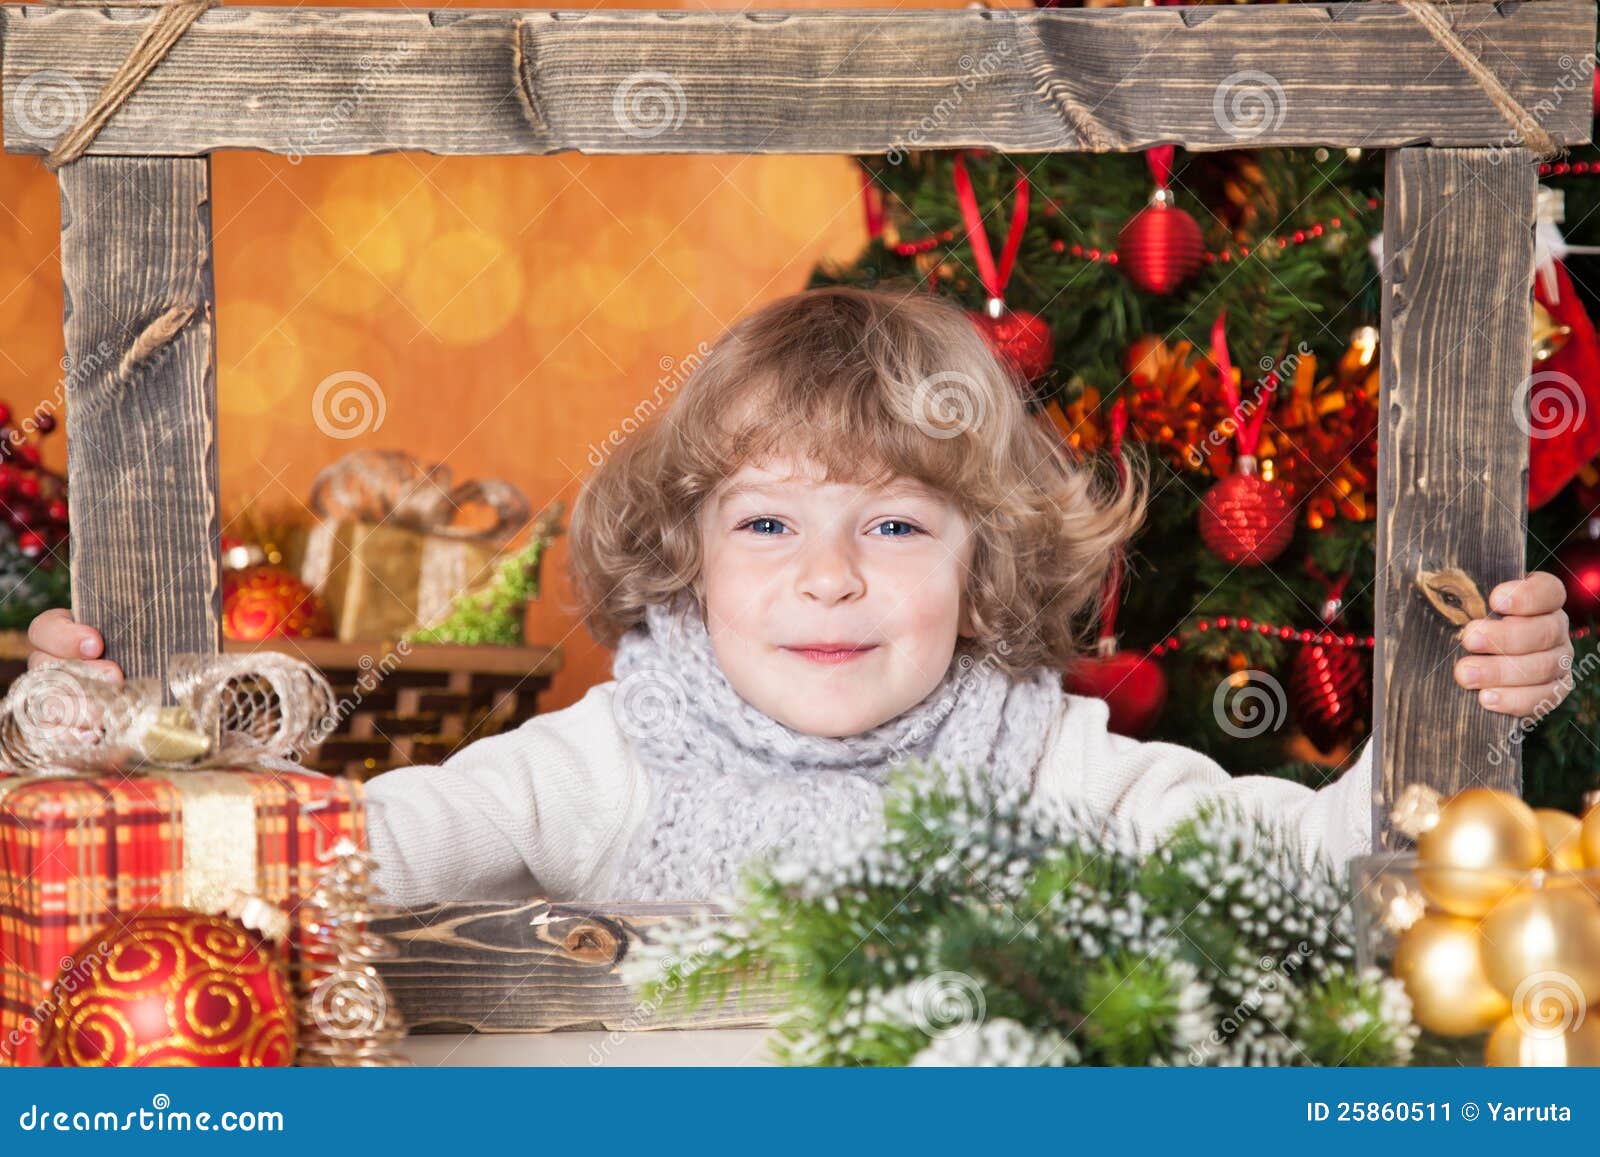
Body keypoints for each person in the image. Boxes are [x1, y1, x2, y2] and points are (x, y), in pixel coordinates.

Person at [26, 286, 1576, 907]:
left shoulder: (1045, 763)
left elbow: (1316, 855)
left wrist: (1465, 702)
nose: (830, 572)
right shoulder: (599, 759)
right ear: (688, 554)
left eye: (899, 523)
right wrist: (106, 761)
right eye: (766, 520)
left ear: (985, 569)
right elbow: (352, 851)